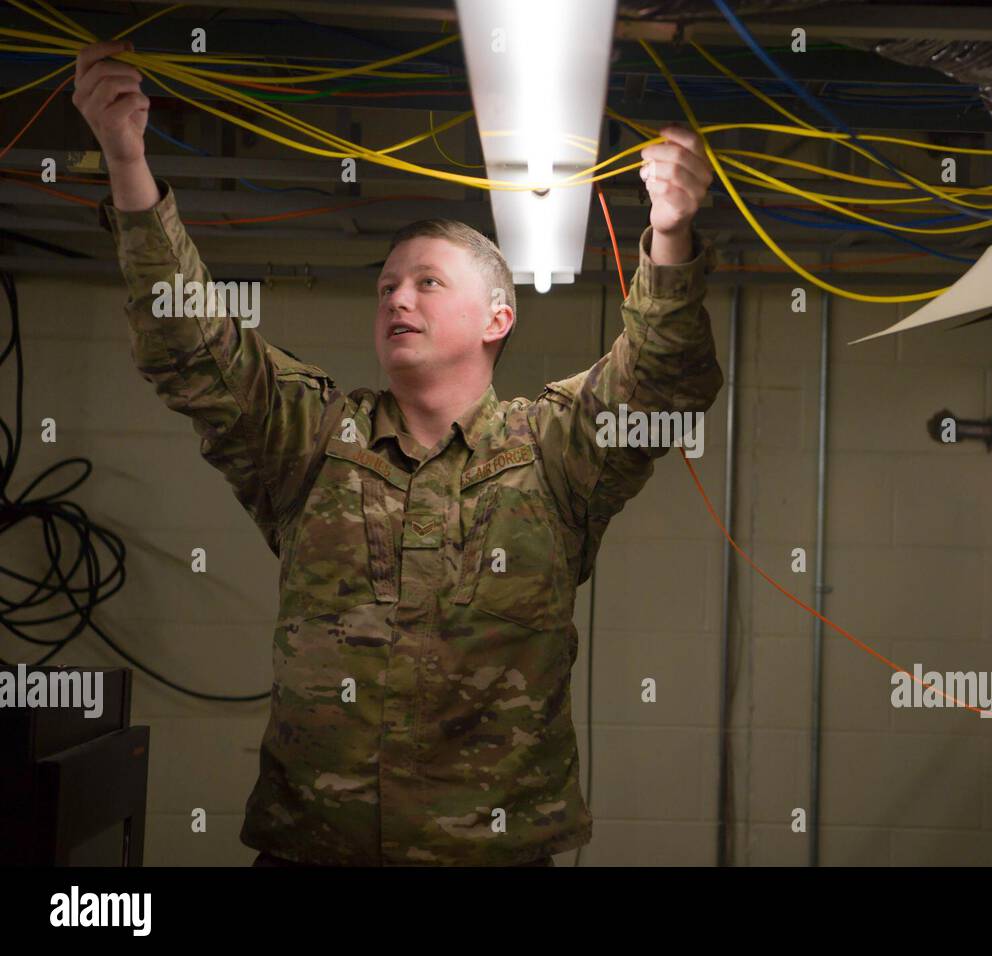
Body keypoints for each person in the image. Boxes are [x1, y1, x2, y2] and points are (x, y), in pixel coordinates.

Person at [73, 37, 723, 866]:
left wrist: (669, 233)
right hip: (311, 850)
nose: (398, 298)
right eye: (386, 286)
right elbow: (191, 346)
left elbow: (664, 382)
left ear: (498, 319)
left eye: (427, 282)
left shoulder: (553, 450)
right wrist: (126, 160)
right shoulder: (310, 440)